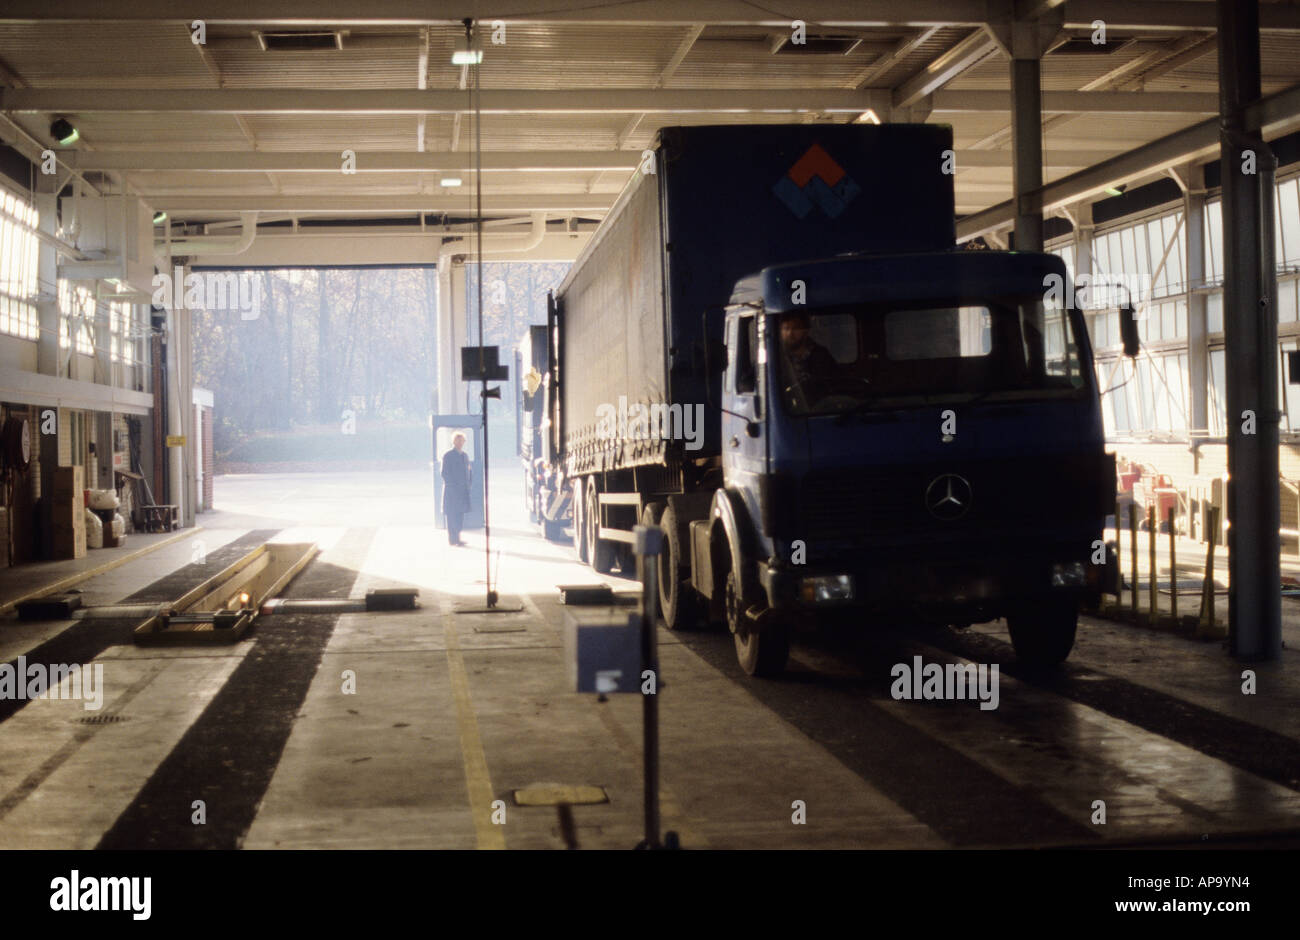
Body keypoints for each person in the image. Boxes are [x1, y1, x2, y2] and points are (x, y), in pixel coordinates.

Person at [779, 312, 838, 409]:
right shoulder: (775, 357)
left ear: (806, 331)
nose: (790, 333)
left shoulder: (821, 355)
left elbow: (833, 383)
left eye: (796, 328)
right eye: (786, 328)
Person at [441, 432, 471, 546]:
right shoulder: (448, 455)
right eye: (457, 440)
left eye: (462, 440)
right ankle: (452, 539)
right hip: (452, 492)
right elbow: (444, 473)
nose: (460, 443)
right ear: (453, 441)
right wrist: (453, 486)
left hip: (463, 491)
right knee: (451, 515)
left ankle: (457, 538)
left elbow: (469, 472)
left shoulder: (465, 456)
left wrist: (468, 485)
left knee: (459, 515)